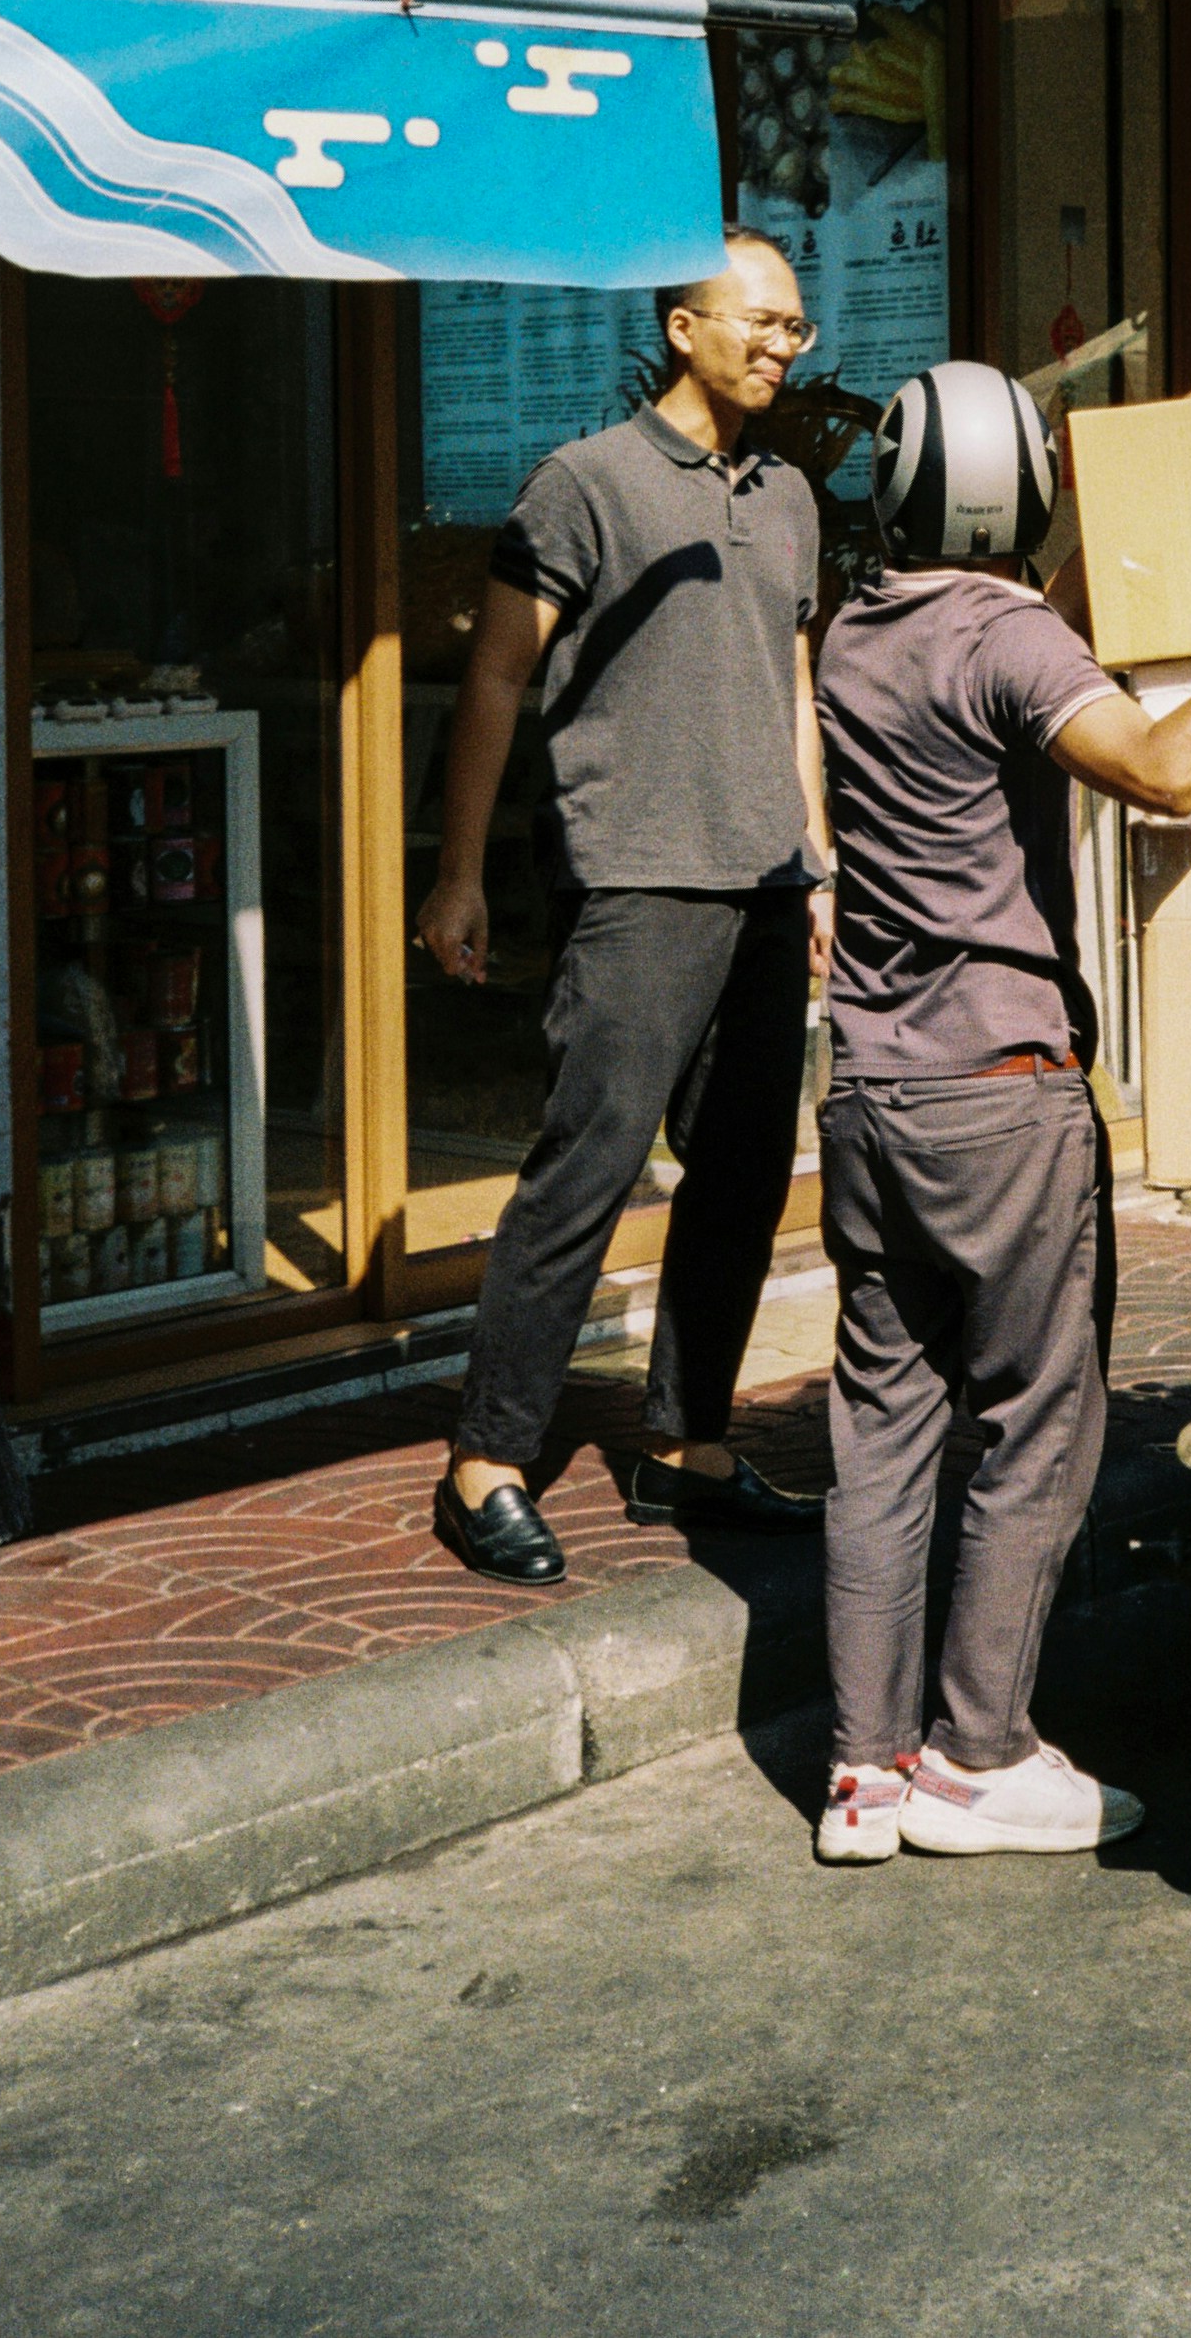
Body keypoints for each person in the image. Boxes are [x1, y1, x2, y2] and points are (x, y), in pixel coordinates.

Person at [810, 358, 1191, 1863]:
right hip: (1001, 1100)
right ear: (1027, 507)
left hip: (870, 1094)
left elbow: (1005, 635)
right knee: (1036, 1423)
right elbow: (1171, 766)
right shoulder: (1006, 638)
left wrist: (1151, 469)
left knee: (882, 1432)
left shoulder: (856, 627)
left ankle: (863, 1774)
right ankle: (980, 1756)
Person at [415, 231, 834, 1586]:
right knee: (584, 1174)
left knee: (743, 1179)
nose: (786, 343)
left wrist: (813, 857)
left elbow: (795, 689)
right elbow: (494, 686)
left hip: (766, 887)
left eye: (797, 327)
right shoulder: (583, 484)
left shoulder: (789, 495)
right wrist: (457, 868)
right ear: (682, 326)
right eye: (762, 322)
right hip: (635, 882)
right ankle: (486, 1459)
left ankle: (686, 1444)